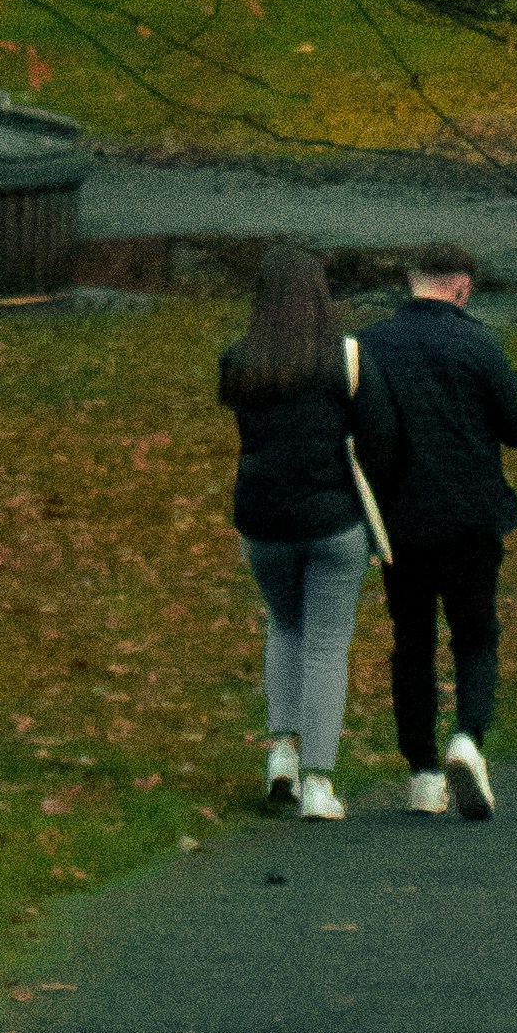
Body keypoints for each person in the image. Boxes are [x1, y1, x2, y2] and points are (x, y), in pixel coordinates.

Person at [357, 248, 517, 821]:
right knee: (475, 632)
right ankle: (468, 736)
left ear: (412, 281)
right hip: (470, 513)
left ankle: (422, 772)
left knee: (411, 639)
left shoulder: (369, 344)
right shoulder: (479, 343)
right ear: (460, 286)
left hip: (398, 519)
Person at [218, 240, 373, 820]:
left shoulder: (238, 362)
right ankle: (318, 780)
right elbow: (374, 430)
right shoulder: (343, 358)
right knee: (327, 646)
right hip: (331, 518)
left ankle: (280, 754)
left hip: (262, 518)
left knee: (284, 629)